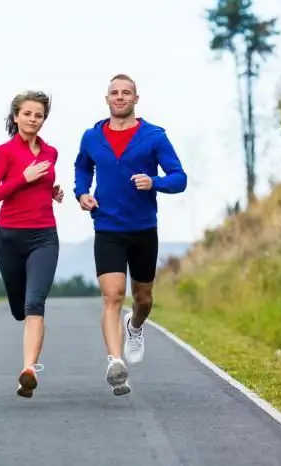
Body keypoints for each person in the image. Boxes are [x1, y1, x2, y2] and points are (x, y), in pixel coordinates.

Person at [73, 74, 187, 396]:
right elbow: (83, 168)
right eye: (114, 93)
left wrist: (155, 182)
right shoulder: (92, 137)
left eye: (126, 93)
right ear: (106, 99)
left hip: (142, 229)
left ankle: (134, 326)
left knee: (142, 298)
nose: (120, 97)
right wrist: (82, 193)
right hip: (107, 226)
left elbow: (179, 178)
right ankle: (115, 362)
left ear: (136, 99)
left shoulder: (154, 136)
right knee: (112, 296)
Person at [0, 90, 63, 399]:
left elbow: (41, 185)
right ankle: (27, 353)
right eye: (27, 113)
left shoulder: (51, 152)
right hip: (9, 238)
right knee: (19, 308)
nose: (33, 119)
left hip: (44, 236)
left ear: (44, 120)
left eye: (39, 115)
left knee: (34, 304)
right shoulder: (5, 153)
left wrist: (51, 191)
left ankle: (28, 370)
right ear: (16, 117)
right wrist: (24, 179)